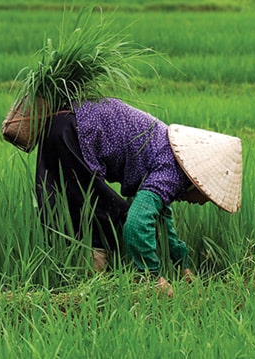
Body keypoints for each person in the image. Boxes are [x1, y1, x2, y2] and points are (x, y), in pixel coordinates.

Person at [34, 97, 242, 296]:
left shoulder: (170, 160)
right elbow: (136, 224)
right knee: (104, 218)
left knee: (83, 214)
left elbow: (161, 220)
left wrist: (182, 265)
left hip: (67, 124)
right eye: (208, 196)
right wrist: (152, 277)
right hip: (75, 132)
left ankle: (87, 286)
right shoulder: (171, 174)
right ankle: (89, 291)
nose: (204, 203)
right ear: (199, 183)